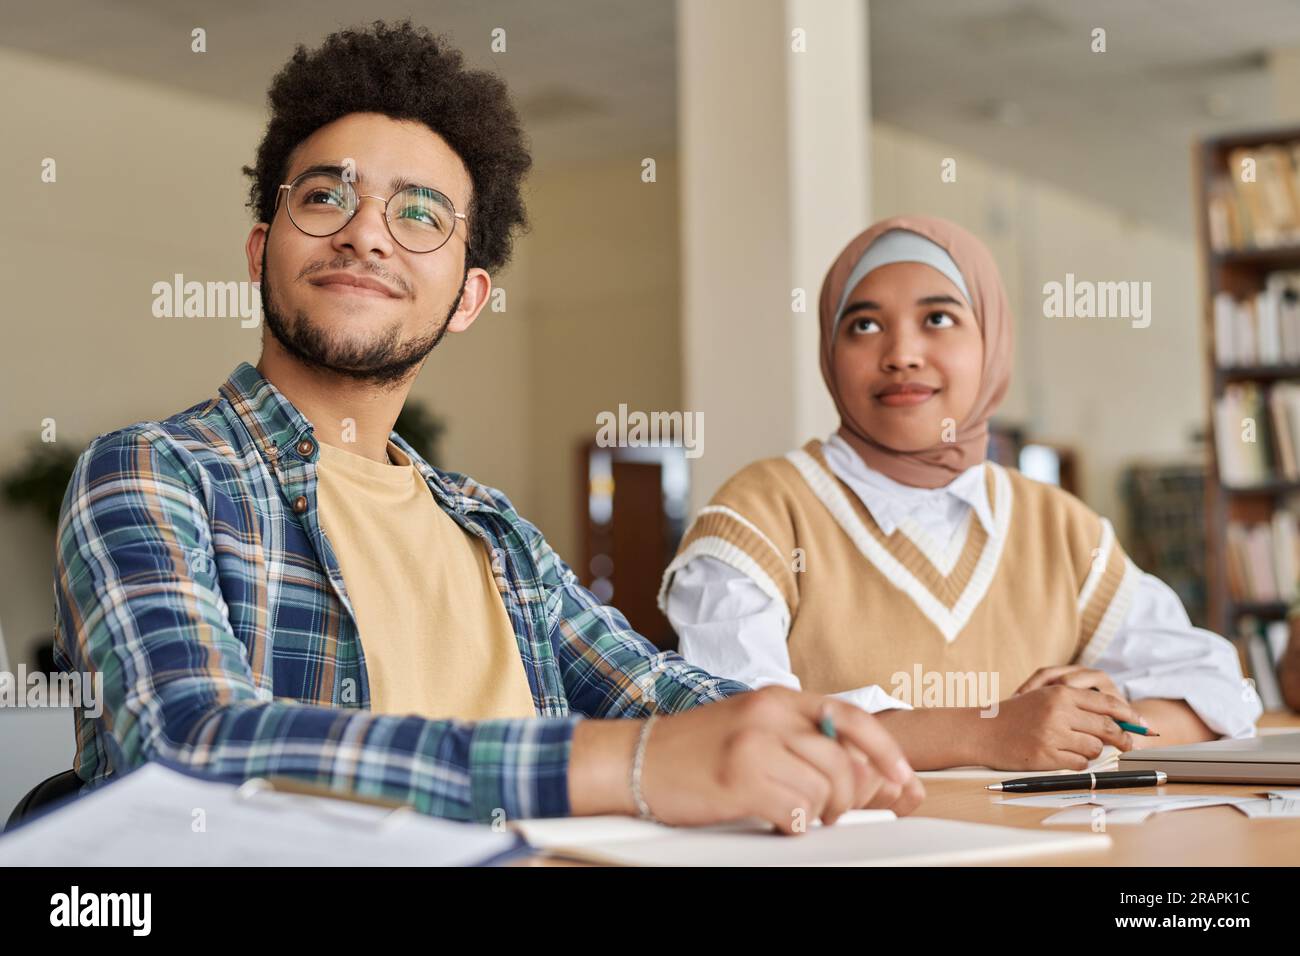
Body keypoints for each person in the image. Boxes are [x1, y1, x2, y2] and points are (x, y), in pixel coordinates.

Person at [52, 21, 923, 832]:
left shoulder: (492, 532)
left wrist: (937, 735)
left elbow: (667, 698)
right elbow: (187, 748)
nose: (366, 235)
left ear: (468, 297)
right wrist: (630, 766)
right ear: (260, 250)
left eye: (420, 213)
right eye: (325, 197)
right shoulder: (155, 474)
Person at [662, 214, 1261, 771]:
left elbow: (1216, 690)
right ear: (830, 351)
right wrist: (986, 730)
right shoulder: (760, 512)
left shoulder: (1059, 526)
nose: (900, 355)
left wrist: (1100, 725)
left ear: (991, 343)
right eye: (864, 325)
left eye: (938, 319)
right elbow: (741, 728)